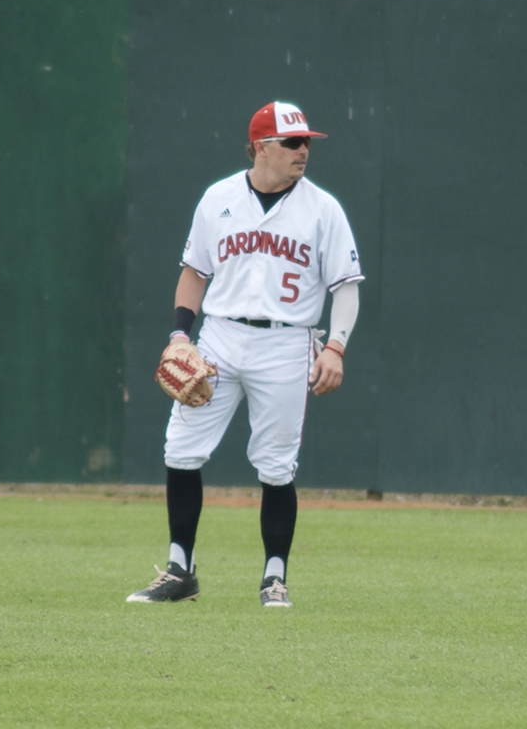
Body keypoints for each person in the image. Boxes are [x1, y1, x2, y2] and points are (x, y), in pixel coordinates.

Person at [126, 102, 364, 608]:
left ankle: (274, 577)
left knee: (276, 465)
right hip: (220, 337)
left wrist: (337, 347)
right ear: (261, 147)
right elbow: (194, 273)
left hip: (286, 341)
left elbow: (347, 287)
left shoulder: (323, 209)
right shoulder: (219, 199)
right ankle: (179, 569)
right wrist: (179, 336)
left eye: (307, 143)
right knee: (181, 449)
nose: (304, 151)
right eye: (293, 143)